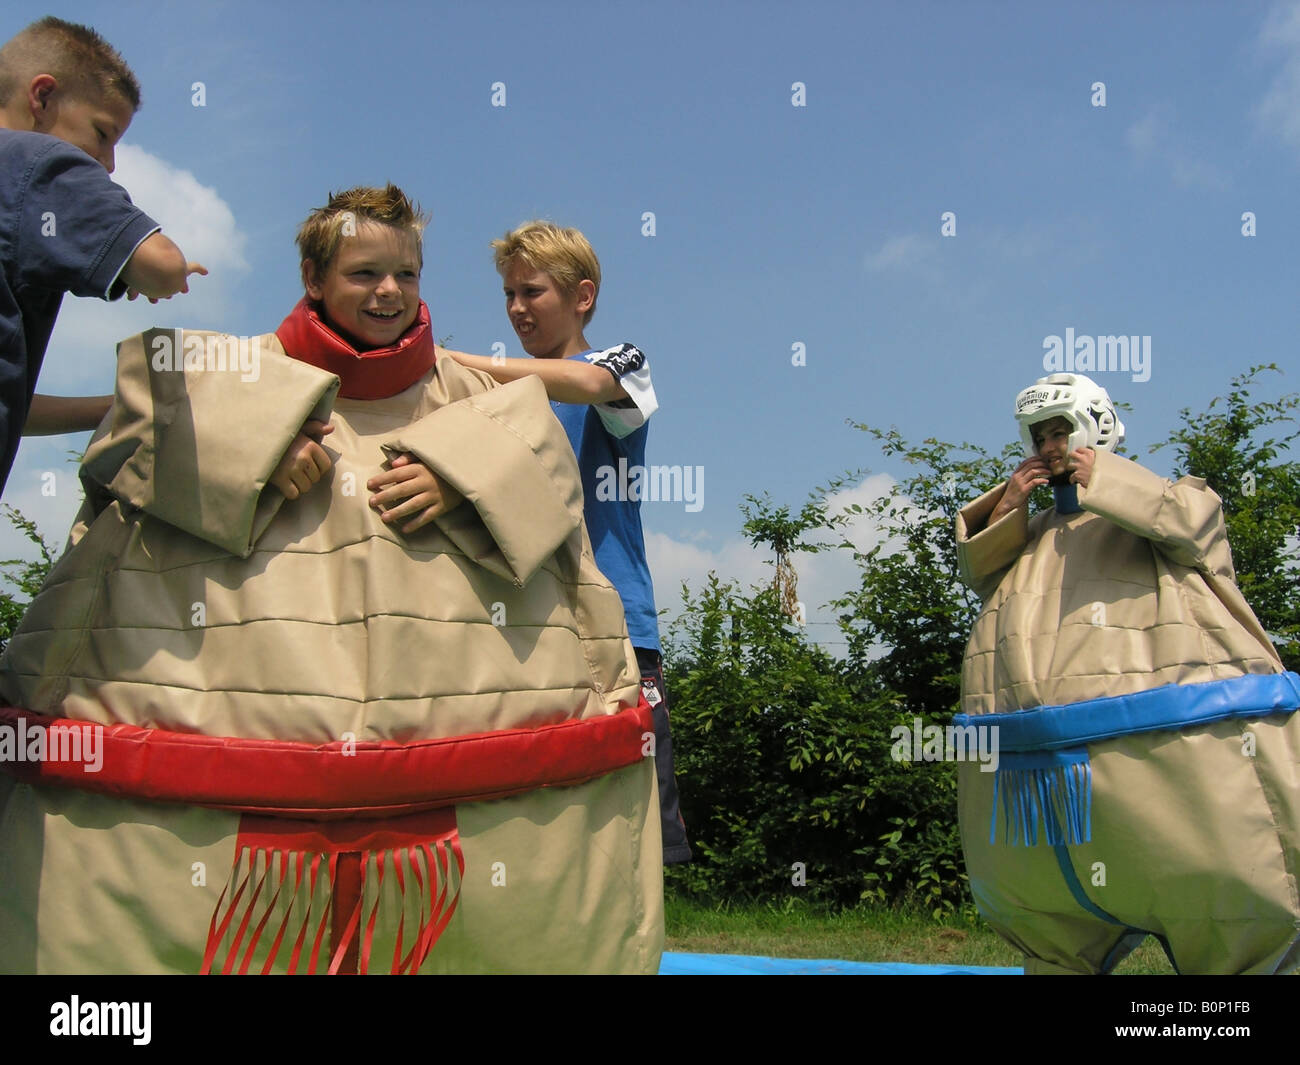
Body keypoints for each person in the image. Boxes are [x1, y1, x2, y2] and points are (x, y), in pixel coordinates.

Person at [0, 185, 662, 975]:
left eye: (406, 275)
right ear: (313, 278)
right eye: (365, 273)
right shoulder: (224, 377)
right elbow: (127, 435)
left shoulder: (490, 403)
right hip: (200, 792)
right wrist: (238, 446)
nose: (389, 292)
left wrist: (470, 475)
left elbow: (553, 487)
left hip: (474, 805)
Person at [953, 372, 1300, 975]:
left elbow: (1196, 524)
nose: (1050, 446)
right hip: (1037, 771)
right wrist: (1008, 508)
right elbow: (979, 574)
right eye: (1039, 435)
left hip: (1164, 761)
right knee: (1041, 907)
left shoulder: (1160, 512)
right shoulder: (1030, 540)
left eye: (1061, 430)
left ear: (1099, 426)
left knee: (1218, 891)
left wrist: (1106, 480)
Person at [445, 220, 691, 864]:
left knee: (632, 822)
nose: (517, 308)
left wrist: (451, 361)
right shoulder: (490, 397)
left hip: (614, 627)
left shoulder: (621, 364)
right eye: (508, 295)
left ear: (583, 296)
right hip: (520, 623)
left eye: (532, 291)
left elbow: (583, 385)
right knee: (531, 816)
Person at [0, 16, 204, 486]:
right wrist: (157, 272)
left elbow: (15, 405)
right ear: (42, 96)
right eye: (103, 133)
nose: (109, 164)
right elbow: (162, 265)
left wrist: (122, 409)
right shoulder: (36, 161)